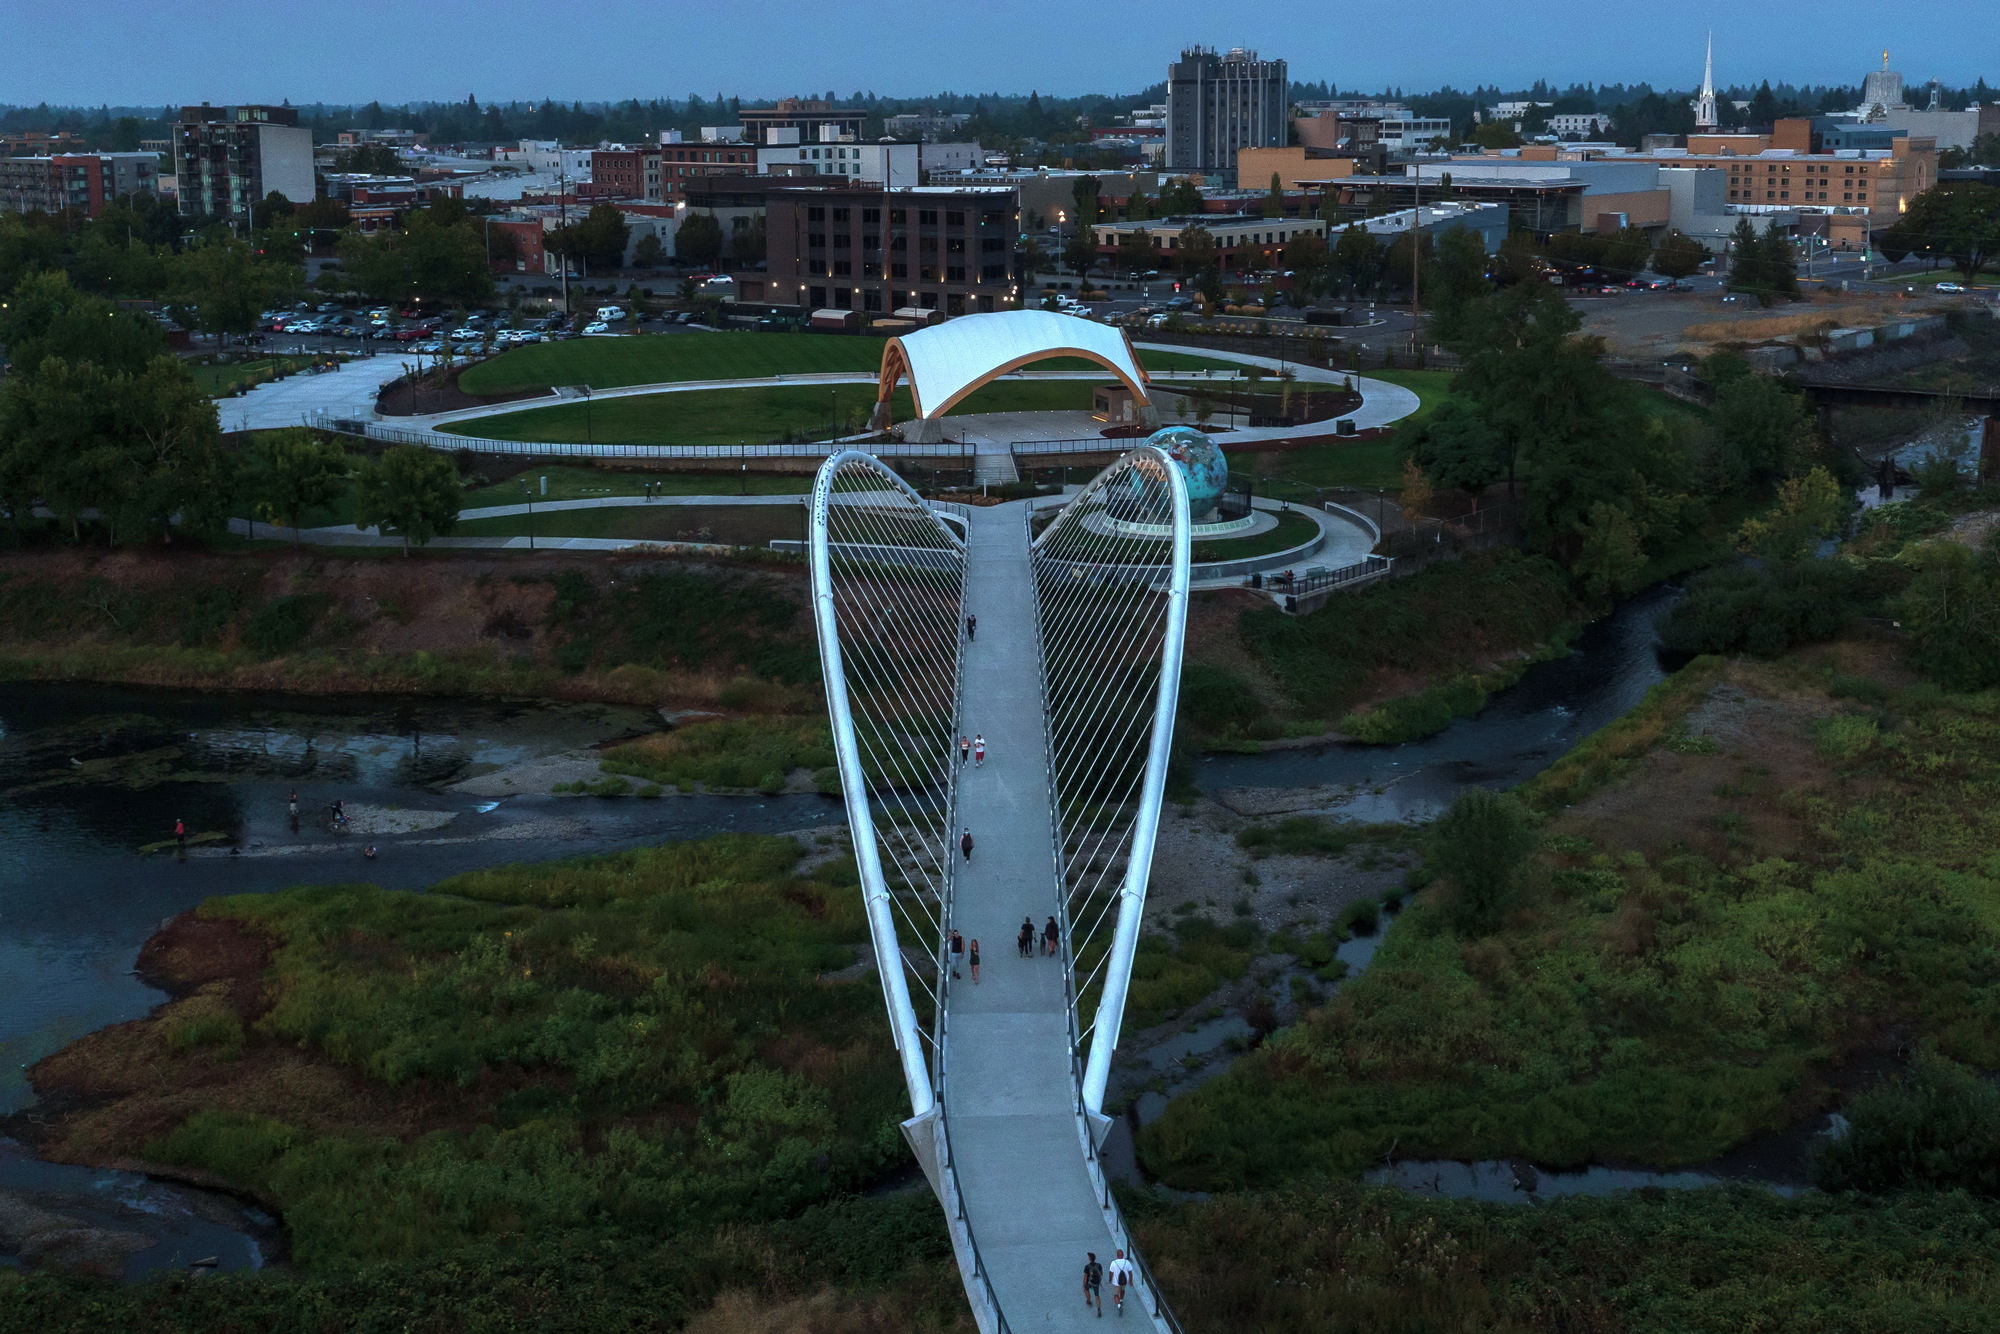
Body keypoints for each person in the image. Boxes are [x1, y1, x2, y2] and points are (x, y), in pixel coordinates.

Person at [1106, 1249, 1135, 1317]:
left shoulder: (1113, 1263)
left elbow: (1111, 1272)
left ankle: (1119, 1305)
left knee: (1115, 1295)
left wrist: (1110, 1279)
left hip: (1116, 1282)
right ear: (1123, 1255)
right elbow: (1130, 1272)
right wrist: (1130, 1281)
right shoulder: (1127, 1262)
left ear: (1117, 1255)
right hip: (1124, 1281)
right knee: (1122, 1290)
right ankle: (1121, 1300)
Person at [1083, 1252, 1104, 1317]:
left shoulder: (1087, 1267)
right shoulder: (1099, 1265)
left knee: (1086, 1290)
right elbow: (1101, 1274)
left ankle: (1089, 1300)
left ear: (1089, 1259)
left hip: (1089, 1282)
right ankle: (1099, 1309)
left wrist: (1084, 1284)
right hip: (1096, 1282)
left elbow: (1086, 1277)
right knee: (1097, 1296)